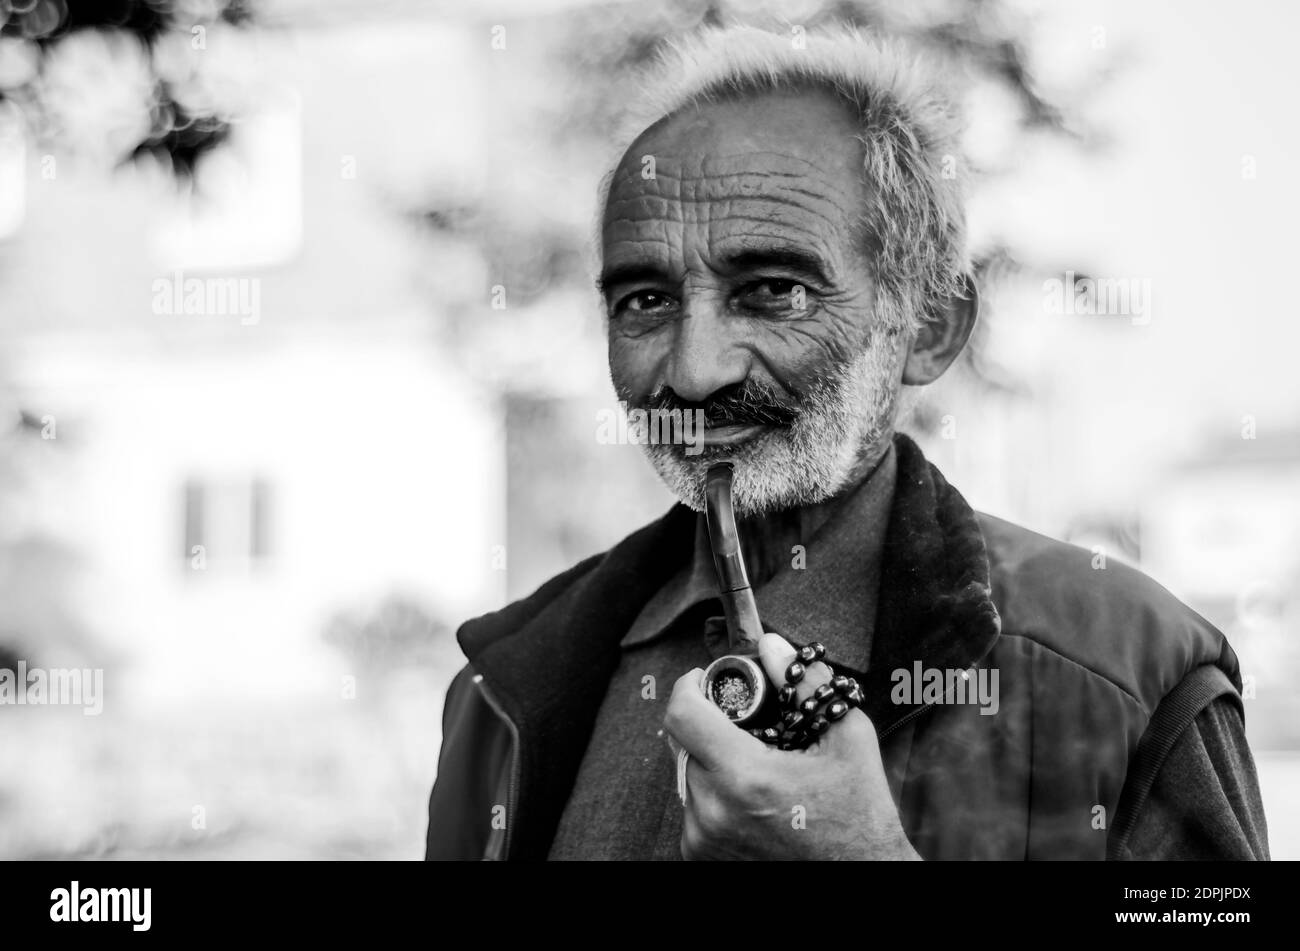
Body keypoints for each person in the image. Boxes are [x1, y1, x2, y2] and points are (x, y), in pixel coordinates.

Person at [424, 25, 1268, 861]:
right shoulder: (507, 688)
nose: (692, 372)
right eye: (645, 300)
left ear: (930, 327)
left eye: (773, 290)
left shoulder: (1124, 671)